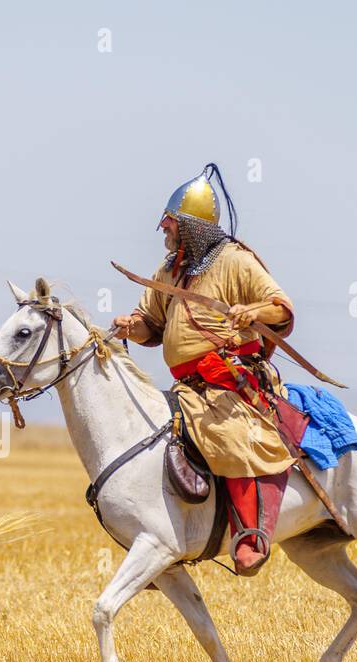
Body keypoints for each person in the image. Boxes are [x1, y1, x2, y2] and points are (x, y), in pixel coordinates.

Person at [113, 164, 296, 575]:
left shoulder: (236, 262)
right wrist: (133, 326)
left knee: (228, 437)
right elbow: (151, 326)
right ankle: (160, 538)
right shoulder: (168, 272)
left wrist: (252, 310)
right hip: (186, 389)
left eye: (171, 225)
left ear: (193, 226)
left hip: (230, 384)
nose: (165, 233)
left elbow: (280, 309)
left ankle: (251, 533)